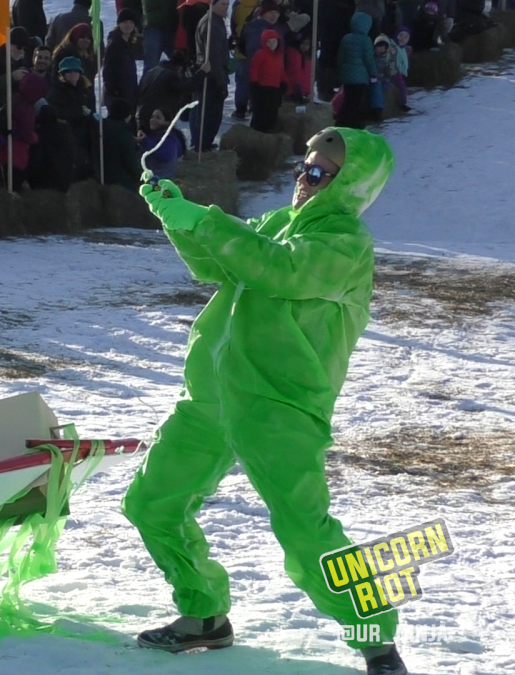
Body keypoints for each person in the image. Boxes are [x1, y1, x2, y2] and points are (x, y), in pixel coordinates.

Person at [130, 126, 405, 675]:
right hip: (212, 393)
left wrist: (203, 220)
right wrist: (175, 214)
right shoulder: (278, 225)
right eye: (302, 167)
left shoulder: (345, 243)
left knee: (305, 529)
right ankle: (203, 614)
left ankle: (377, 641)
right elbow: (221, 263)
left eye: (320, 171)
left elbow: (279, 270)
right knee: (152, 502)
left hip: (280, 405)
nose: (305, 178)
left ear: (349, 184)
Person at [0, 71, 47, 191]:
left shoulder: (13, 101)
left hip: (2, 150)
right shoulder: (26, 109)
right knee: (14, 186)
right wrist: (36, 137)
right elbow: (26, 134)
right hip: (16, 154)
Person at [47, 56, 96, 180]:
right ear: (62, 74)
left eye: (75, 71)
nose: (72, 74)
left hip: (85, 134)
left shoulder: (85, 91)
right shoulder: (57, 92)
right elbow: (54, 113)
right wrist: (79, 112)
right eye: (68, 72)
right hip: (67, 134)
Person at [190, 0, 229, 151]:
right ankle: (202, 145)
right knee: (208, 114)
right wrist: (220, 82)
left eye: (227, 4)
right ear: (213, 5)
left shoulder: (217, 21)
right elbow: (212, 57)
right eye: (222, 4)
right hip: (211, 76)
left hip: (214, 72)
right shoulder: (211, 24)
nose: (225, 7)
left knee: (208, 113)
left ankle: (204, 143)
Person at [336, 12, 378, 129]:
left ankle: (342, 120)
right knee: (357, 101)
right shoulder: (366, 40)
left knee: (348, 99)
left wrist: (341, 72)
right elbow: (369, 59)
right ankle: (355, 122)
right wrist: (373, 73)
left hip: (347, 76)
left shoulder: (346, 38)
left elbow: (341, 57)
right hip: (360, 77)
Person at [101, 98, 143, 190]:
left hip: (101, 176)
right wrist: (139, 178)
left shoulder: (101, 127)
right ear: (126, 115)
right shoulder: (124, 134)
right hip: (120, 181)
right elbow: (130, 161)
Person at [249, 28, 286, 131]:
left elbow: (281, 70)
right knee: (261, 111)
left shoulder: (279, 55)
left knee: (273, 111)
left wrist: (284, 82)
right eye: (268, 42)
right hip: (262, 88)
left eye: (274, 41)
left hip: (275, 88)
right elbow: (254, 69)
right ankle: (258, 129)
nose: (271, 44)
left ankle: (270, 129)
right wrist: (254, 83)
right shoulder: (260, 54)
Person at [230, 0, 262, 119]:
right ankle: (254, 107)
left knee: (242, 81)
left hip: (242, 49)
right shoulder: (262, 5)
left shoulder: (238, 5)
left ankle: (240, 109)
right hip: (259, 50)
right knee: (257, 80)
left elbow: (234, 26)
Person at [104, 9, 141, 109]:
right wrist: (114, 91)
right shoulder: (114, 45)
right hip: (118, 95)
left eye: (130, 22)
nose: (128, 25)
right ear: (119, 24)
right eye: (124, 22)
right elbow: (108, 71)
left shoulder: (128, 44)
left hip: (129, 92)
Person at [137, 107, 186, 179]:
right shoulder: (157, 135)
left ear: (167, 122)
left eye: (158, 118)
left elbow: (166, 156)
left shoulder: (169, 138)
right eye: (152, 117)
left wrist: (144, 141)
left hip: (159, 180)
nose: (153, 120)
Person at [143, 0, 180, 79]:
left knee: (180, 63)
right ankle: (147, 89)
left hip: (173, 26)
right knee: (150, 66)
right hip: (153, 26)